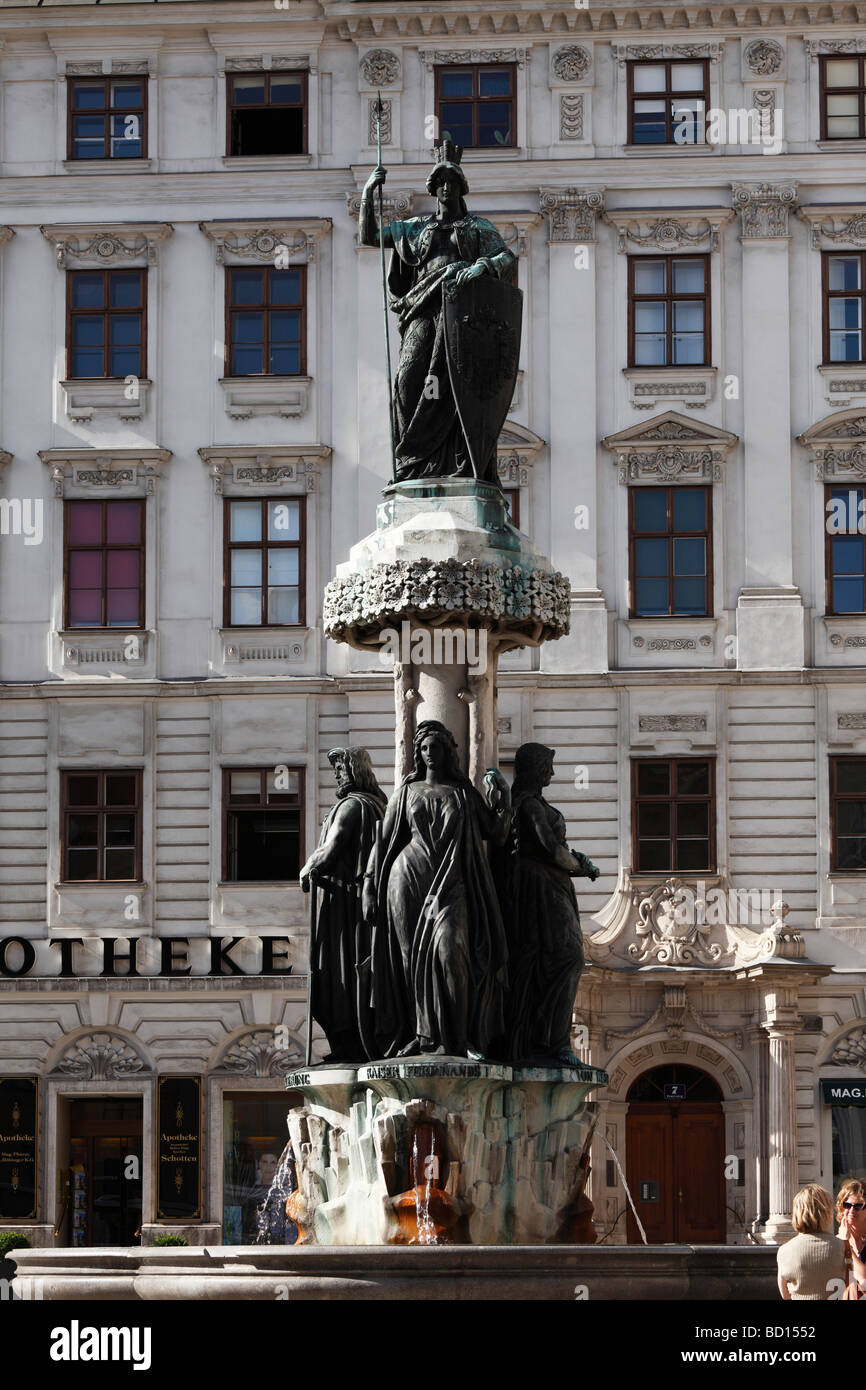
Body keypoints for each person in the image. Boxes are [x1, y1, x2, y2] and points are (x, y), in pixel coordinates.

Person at [359, 140, 518, 483]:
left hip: (461, 317)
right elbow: (371, 236)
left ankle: (459, 466)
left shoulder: (478, 228)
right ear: (433, 189)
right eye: (440, 182)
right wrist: (368, 193)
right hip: (422, 311)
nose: (446, 187)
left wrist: (482, 267)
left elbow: (508, 259)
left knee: (457, 386)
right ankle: (412, 465)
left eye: (452, 181)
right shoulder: (416, 228)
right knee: (407, 382)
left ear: (461, 187)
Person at [362, 719, 510, 1058]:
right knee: (407, 961)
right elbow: (382, 842)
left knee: (451, 954)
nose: (430, 753)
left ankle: (459, 1041)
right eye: (424, 748)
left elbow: (496, 833)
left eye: (436, 747)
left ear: (447, 751)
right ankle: (419, 1035)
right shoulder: (406, 793)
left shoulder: (463, 794)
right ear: (418, 753)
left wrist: (505, 798)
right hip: (407, 878)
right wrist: (370, 885)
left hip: (451, 883)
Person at [499, 743, 599, 1066]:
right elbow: (551, 849)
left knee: (559, 961)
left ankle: (550, 1041)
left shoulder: (535, 804)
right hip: (539, 889)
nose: (552, 773)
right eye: (548, 767)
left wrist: (575, 860)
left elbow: (557, 850)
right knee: (568, 958)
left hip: (550, 885)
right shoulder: (528, 806)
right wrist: (581, 866)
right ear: (536, 768)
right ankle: (553, 1043)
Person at [300, 746, 387, 1062]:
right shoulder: (379, 805)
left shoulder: (352, 806)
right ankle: (355, 1036)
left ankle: (348, 1039)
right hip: (358, 906)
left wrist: (308, 868)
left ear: (358, 770)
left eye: (342, 768)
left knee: (334, 970)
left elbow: (331, 849)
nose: (337, 774)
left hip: (343, 906)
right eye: (335, 769)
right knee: (350, 969)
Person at [776, 1184, 845, 1299]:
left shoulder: (784, 1250)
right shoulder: (842, 1246)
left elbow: (785, 1295)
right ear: (826, 1213)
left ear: (797, 1213)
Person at [836, 1177, 866, 1298]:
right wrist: (843, 1240)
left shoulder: (842, 1242)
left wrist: (846, 1244)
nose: (851, 1210)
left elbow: (864, 1279)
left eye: (858, 1206)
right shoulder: (835, 1242)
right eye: (847, 1205)